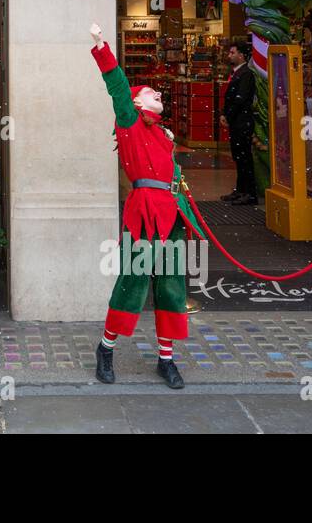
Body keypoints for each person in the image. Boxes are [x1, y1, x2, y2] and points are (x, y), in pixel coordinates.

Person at [90, 24, 201, 390]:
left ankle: (166, 359)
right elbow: (117, 87)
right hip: (144, 215)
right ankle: (106, 349)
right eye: (151, 93)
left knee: (171, 288)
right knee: (132, 283)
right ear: (137, 103)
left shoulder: (163, 134)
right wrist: (102, 47)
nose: (158, 94)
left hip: (170, 214)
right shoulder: (130, 124)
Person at [221, 41, 258, 206]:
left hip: (242, 122)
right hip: (237, 121)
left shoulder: (246, 74)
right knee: (238, 156)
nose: (229, 55)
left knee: (244, 158)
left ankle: (249, 193)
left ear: (241, 55)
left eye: (232, 52)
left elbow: (240, 98)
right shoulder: (237, 73)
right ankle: (241, 189)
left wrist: (227, 115)